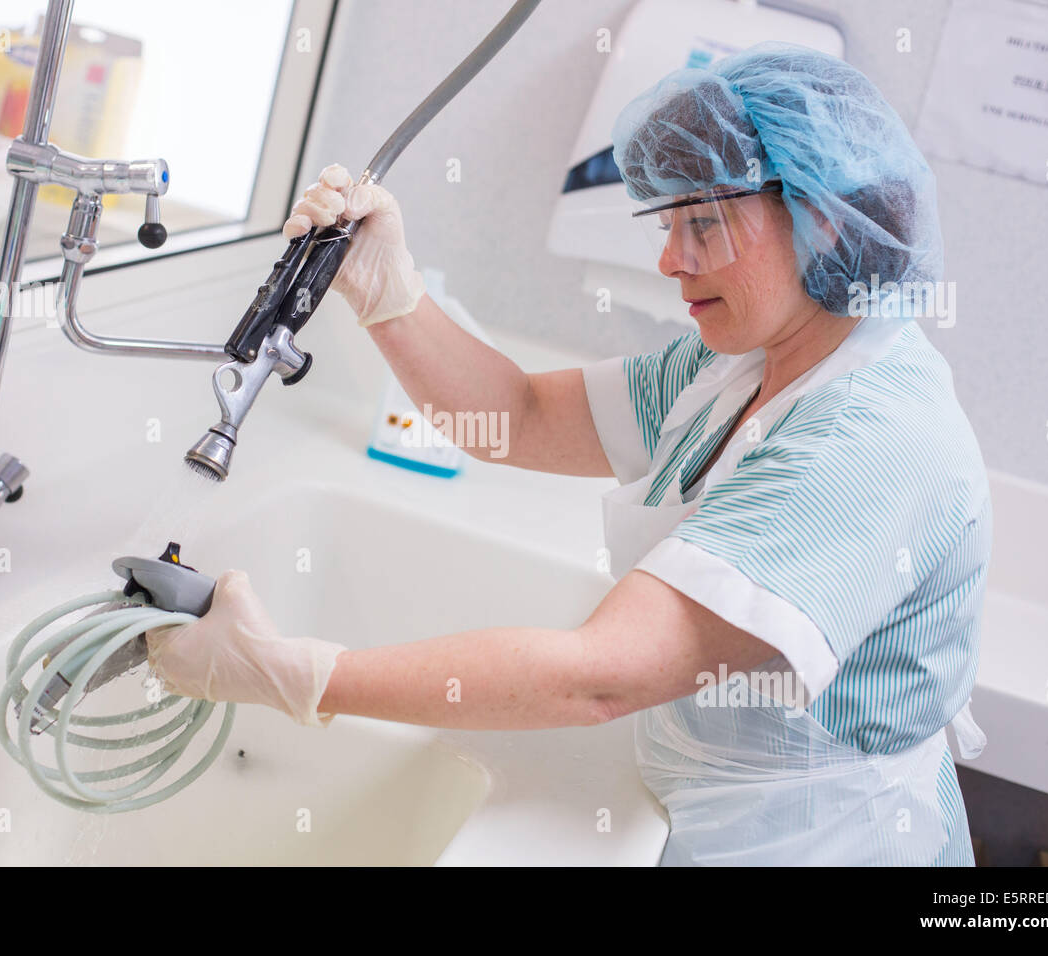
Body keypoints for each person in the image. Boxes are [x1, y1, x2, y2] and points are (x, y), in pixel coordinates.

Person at [146, 42, 991, 866]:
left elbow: (599, 677)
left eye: (705, 223)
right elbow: (519, 418)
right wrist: (387, 291)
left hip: (820, 844)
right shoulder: (743, 361)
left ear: (818, 217)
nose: (670, 260)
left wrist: (294, 676)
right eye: (669, 222)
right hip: (703, 810)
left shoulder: (864, 439)